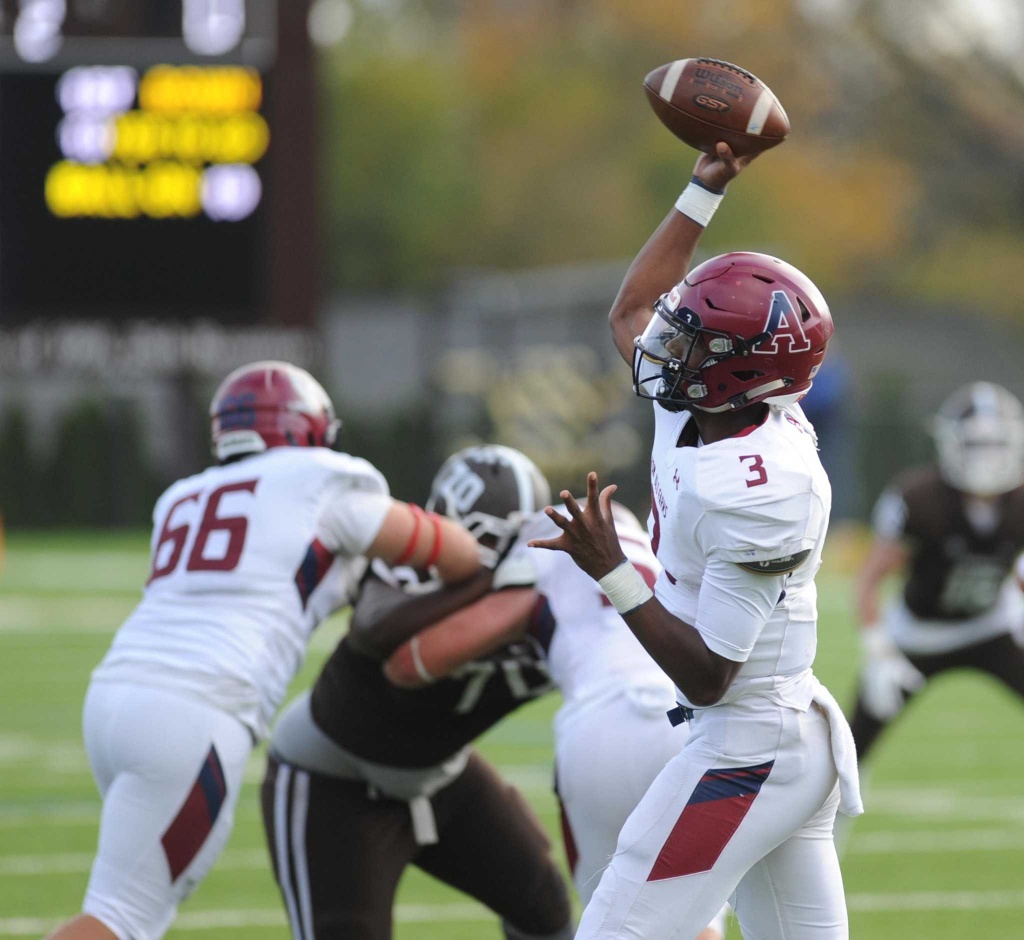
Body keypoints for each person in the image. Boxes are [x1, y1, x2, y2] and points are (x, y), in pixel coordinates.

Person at [525, 143, 862, 939]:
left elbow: (711, 674)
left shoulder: (764, 484)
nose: (666, 345)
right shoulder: (704, 405)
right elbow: (630, 311)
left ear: (735, 372)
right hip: (771, 738)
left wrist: (613, 573)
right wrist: (701, 191)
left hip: (749, 747)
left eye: (691, 339)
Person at [47, 361, 482, 940]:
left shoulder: (182, 496)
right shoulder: (321, 479)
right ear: (308, 430)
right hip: (193, 714)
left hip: (114, 700)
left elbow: (279, 572)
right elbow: (452, 552)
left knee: (138, 908)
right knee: (122, 919)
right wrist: (477, 556)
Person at [260, 444, 574, 940]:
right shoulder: (415, 566)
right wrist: (492, 582)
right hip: (331, 776)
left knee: (545, 907)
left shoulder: (546, 587)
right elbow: (374, 627)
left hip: (441, 772)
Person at [386, 500, 729, 940]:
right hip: (686, 719)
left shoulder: (534, 552)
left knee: (614, 926)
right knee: (692, 919)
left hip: (603, 726)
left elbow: (413, 663)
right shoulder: (639, 536)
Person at [848, 381, 1024, 761]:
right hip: (917, 634)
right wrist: (879, 650)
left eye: (995, 445)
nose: (986, 458)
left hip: (991, 625)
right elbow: (869, 582)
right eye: (977, 445)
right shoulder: (919, 497)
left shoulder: (1020, 499)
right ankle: (829, 820)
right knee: (851, 746)